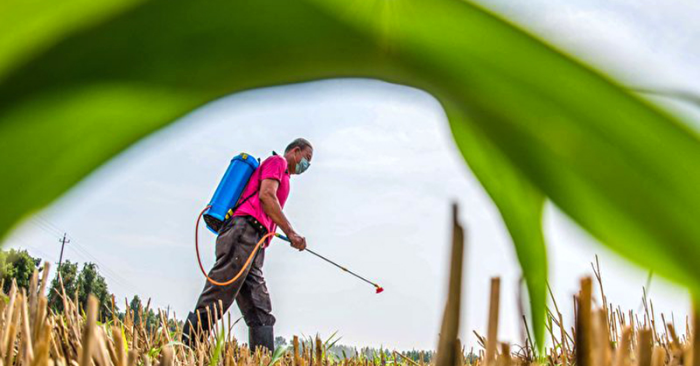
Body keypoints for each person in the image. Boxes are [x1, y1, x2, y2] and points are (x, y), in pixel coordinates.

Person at [183, 138, 313, 351]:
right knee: (219, 294)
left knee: (260, 309)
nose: (306, 166)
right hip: (243, 233)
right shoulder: (277, 162)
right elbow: (266, 195)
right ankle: (185, 350)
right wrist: (291, 232)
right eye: (306, 159)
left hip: (255, 243)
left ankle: (262, 359)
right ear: (295, 151)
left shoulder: (285, 174)